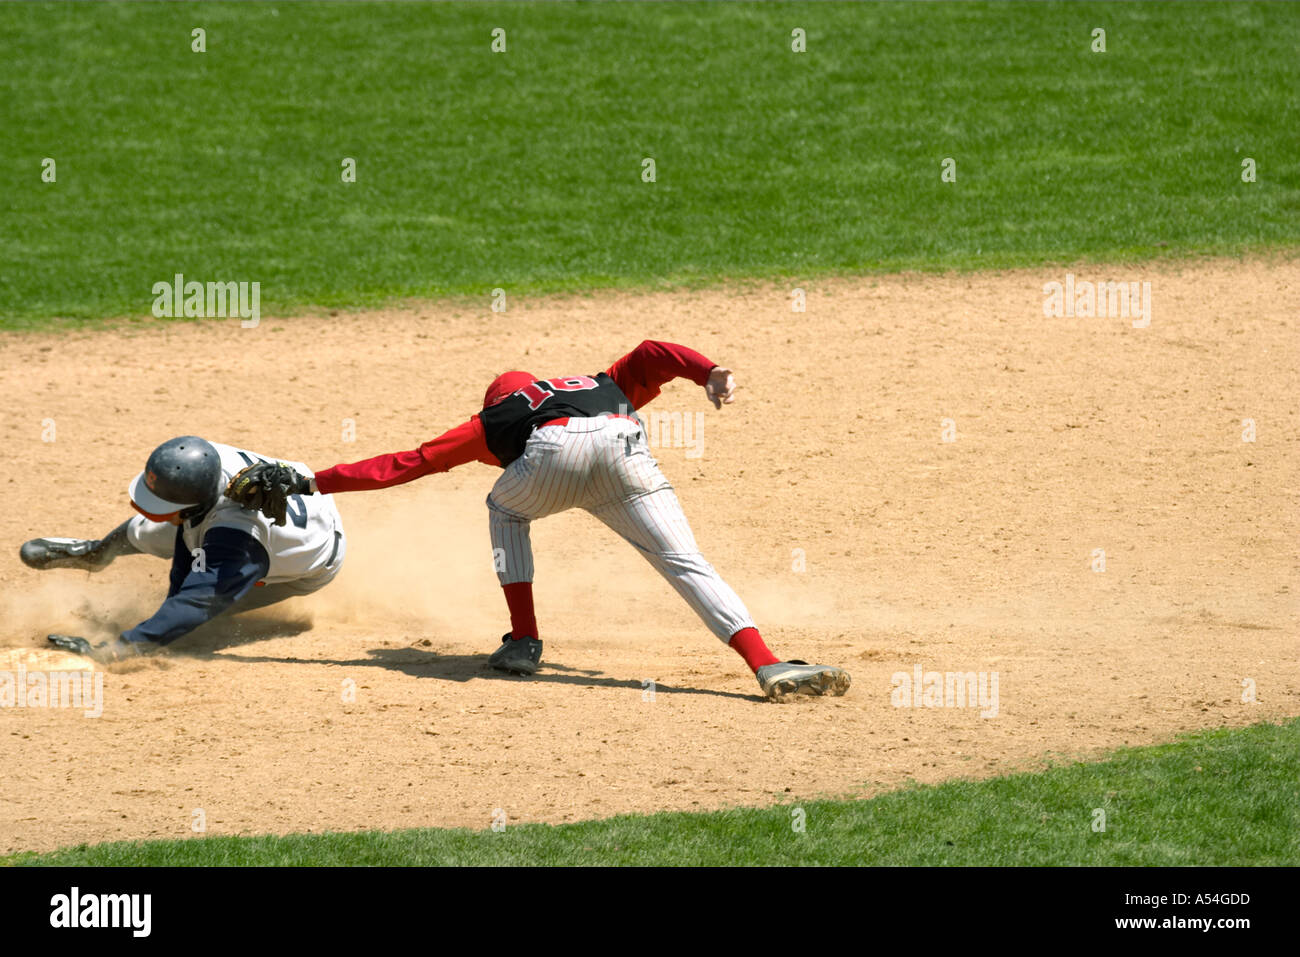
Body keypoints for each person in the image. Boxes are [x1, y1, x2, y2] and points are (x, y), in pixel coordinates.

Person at [226, 341, 850, 700]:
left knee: (503, 508)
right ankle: (766, 663)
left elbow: (401, 465)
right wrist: (706, 370)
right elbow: (653, 351)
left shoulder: (493, 420)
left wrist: (308, 479)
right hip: (623, 446)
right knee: (685, 562)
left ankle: (524, 640)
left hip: (549, 459)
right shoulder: (599, 382)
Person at [21, 435, 346, 662]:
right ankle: (95, 552)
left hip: (307, 562)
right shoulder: (202, 457)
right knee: (156, 529)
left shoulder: (236, 539)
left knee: (201, 610)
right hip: (300, 498)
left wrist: (117, 649)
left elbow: (197, 601)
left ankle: (147, 632)